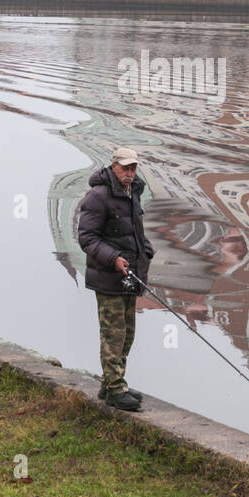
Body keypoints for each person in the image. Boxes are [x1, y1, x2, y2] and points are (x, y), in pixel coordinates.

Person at [77, 148, 155, 411]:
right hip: (108, 276)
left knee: (128, 334)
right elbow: (87, 238)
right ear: (113, 166)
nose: (130, 174)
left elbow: (134, 232)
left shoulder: (132, 194)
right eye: (125, 169)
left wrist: (146, 250)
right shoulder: (98, 196)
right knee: (113, 334)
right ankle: (114, 390)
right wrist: (113, 259)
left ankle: (111, 382)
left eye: (133, 169)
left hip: (129, 276)